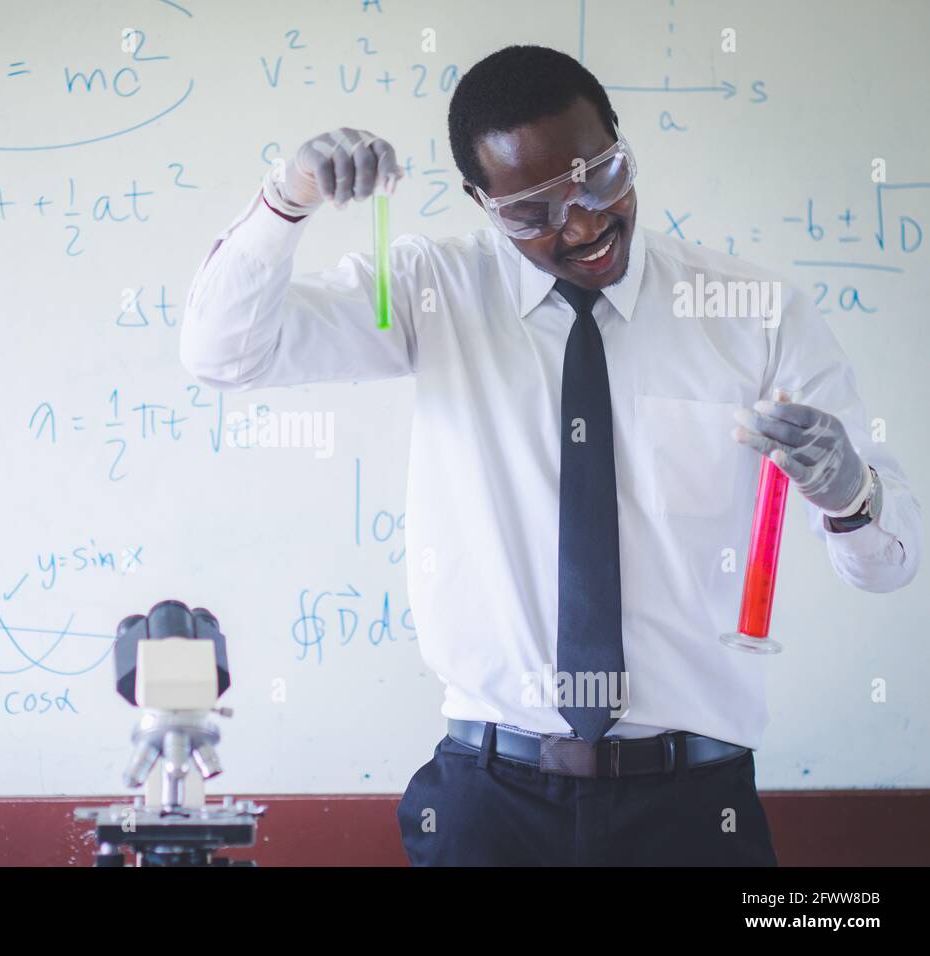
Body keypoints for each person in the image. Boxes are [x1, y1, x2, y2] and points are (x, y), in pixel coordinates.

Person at [179, 45, 920, 865]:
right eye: (532, 211)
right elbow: (224, 356)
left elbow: (888, 568)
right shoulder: (434, 292)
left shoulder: (755, 313)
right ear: (481, 202)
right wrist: (290, 199)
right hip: (492, 802)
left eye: (601, 178)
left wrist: (853, 496)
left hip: (694, 809)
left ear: (619, 141)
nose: (584, 224)